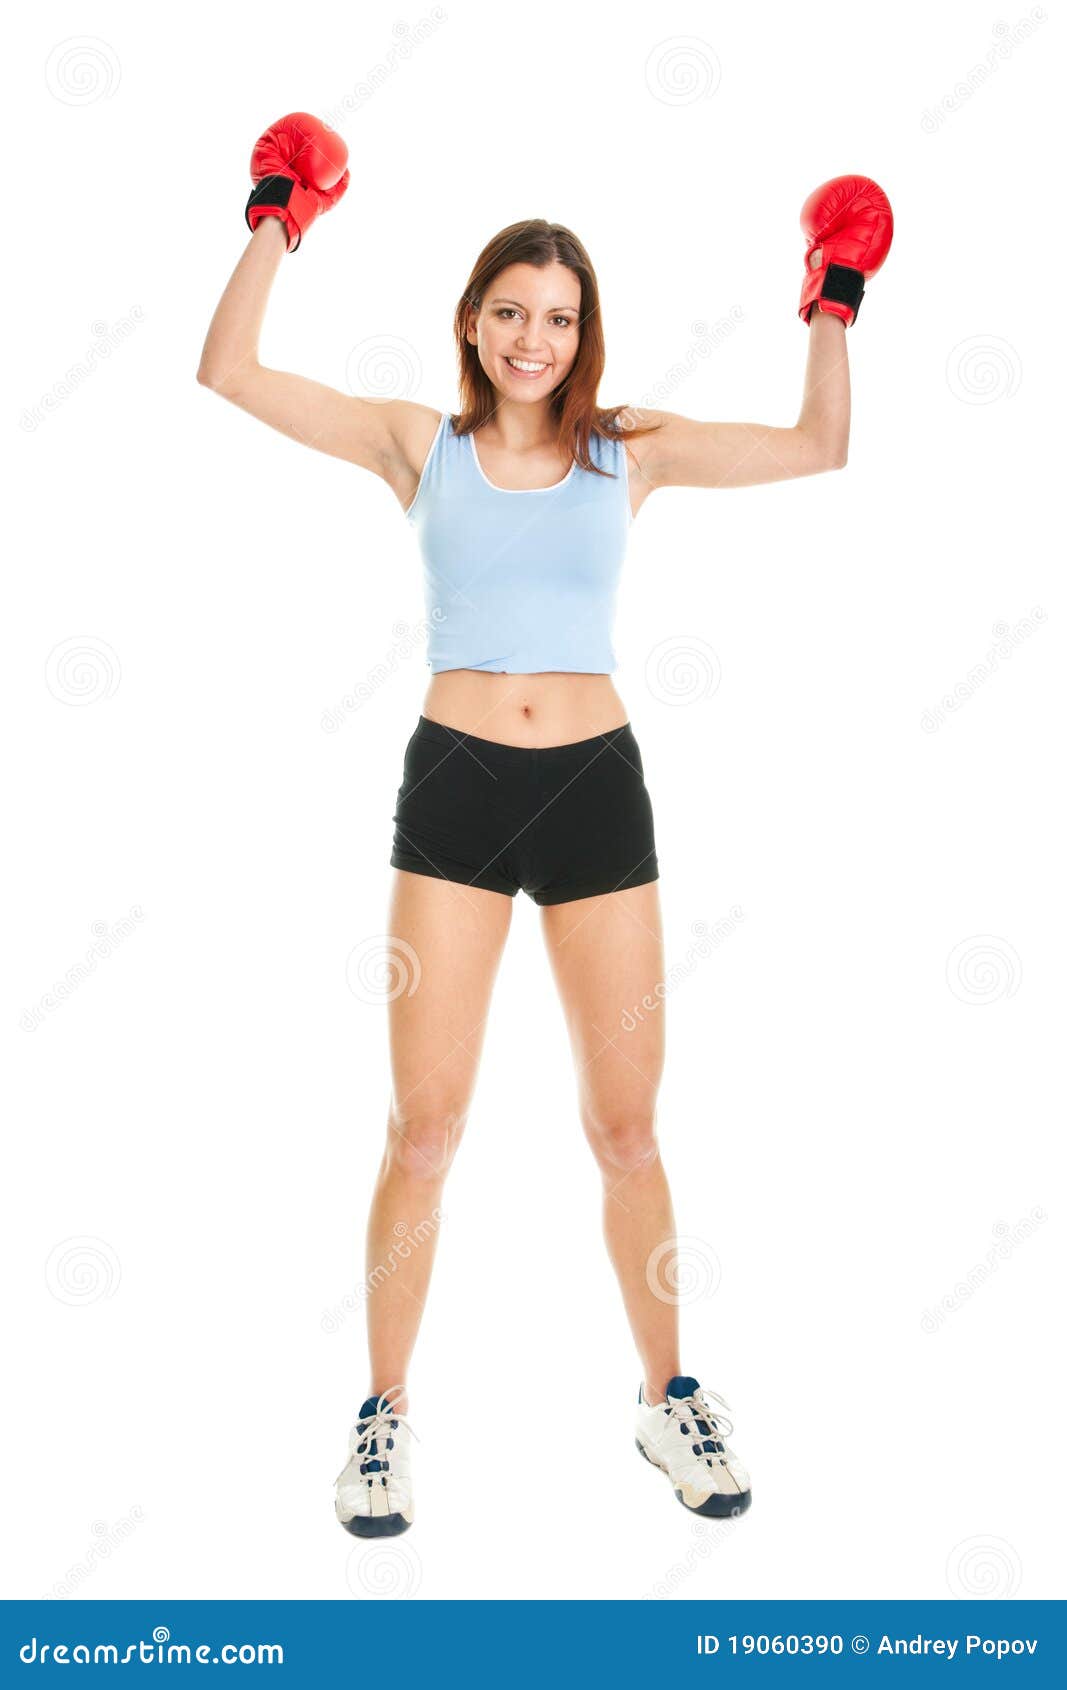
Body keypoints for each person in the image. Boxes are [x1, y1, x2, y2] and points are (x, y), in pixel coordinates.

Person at [197, 115, 893, 1537]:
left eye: (560, 318)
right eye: (512, 311)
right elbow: (230, 371)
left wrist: (834, 297)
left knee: (628, 1128)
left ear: (586, 336)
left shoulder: (626, 450)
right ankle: (382, 1418)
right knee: (427, 1126)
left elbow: (823, 444)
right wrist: (279, 212)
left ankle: (669, 1395)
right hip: (454, 784)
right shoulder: (420, 444)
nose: (535, 337)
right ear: (473, 320)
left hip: (594, 791)